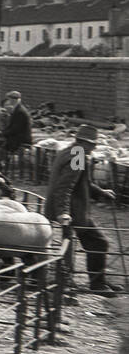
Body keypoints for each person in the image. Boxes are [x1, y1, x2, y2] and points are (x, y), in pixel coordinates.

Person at [44, 124, 119, 296]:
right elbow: (65, 186)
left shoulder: (69, 151)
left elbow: (83, 182)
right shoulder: (78, 155)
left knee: (78, 244)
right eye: (93, 144)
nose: (95, 148)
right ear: (86, 143)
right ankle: (95, 284)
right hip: (72, 210)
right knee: (98, 242)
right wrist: (63, 212)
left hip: (68, 208)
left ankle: (92, 281)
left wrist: (101, 192)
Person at [0, 90, 33, 170]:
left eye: (10, 99)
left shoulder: (20, 111)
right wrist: (2, 132)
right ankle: (4, 164)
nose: (9, 101)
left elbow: (16, 128)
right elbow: (12, 127)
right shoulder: (18, 109)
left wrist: (3, 133)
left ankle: (5, 165)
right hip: (17, 136)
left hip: (20, 139)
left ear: (15, 100)